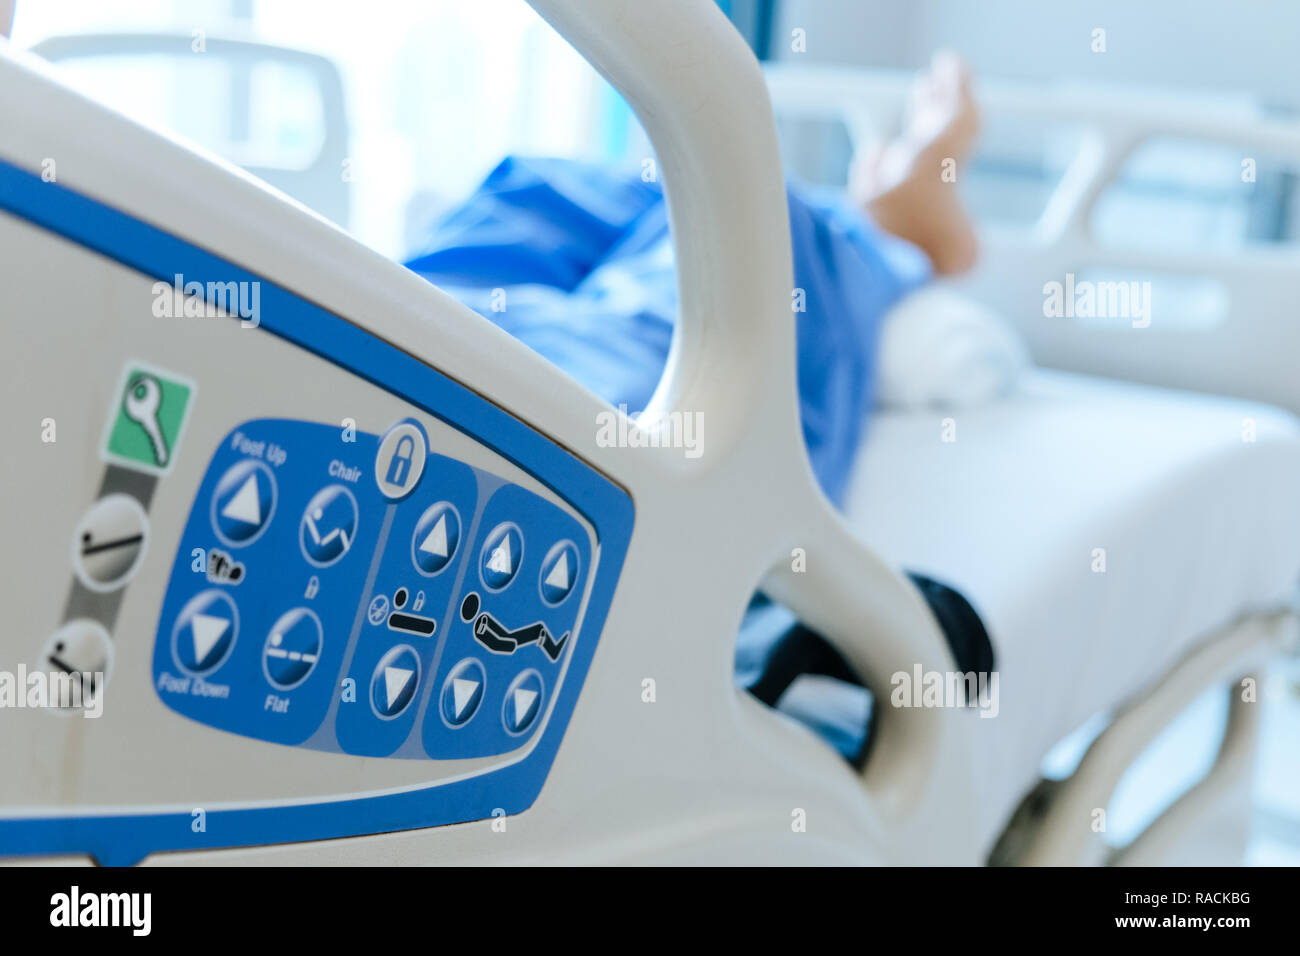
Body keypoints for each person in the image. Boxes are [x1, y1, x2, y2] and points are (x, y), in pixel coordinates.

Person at [405, 53, 979, 507]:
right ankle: (889, 217)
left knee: (531, 197)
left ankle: (866, 211)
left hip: (410, 320)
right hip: (558, 396)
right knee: (741, 241)